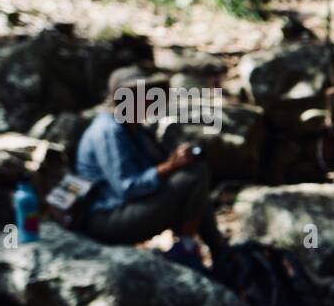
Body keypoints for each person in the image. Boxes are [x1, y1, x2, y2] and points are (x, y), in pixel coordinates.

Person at [74, 68, 226, 264]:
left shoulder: (135, 129)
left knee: (195, 181)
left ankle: (217, 250)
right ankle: (188, 249)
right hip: (106, 219)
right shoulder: (109, 131)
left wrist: (175, 162)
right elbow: (129, 188)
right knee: (194, 176)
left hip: (129, 209)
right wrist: (170, 166)